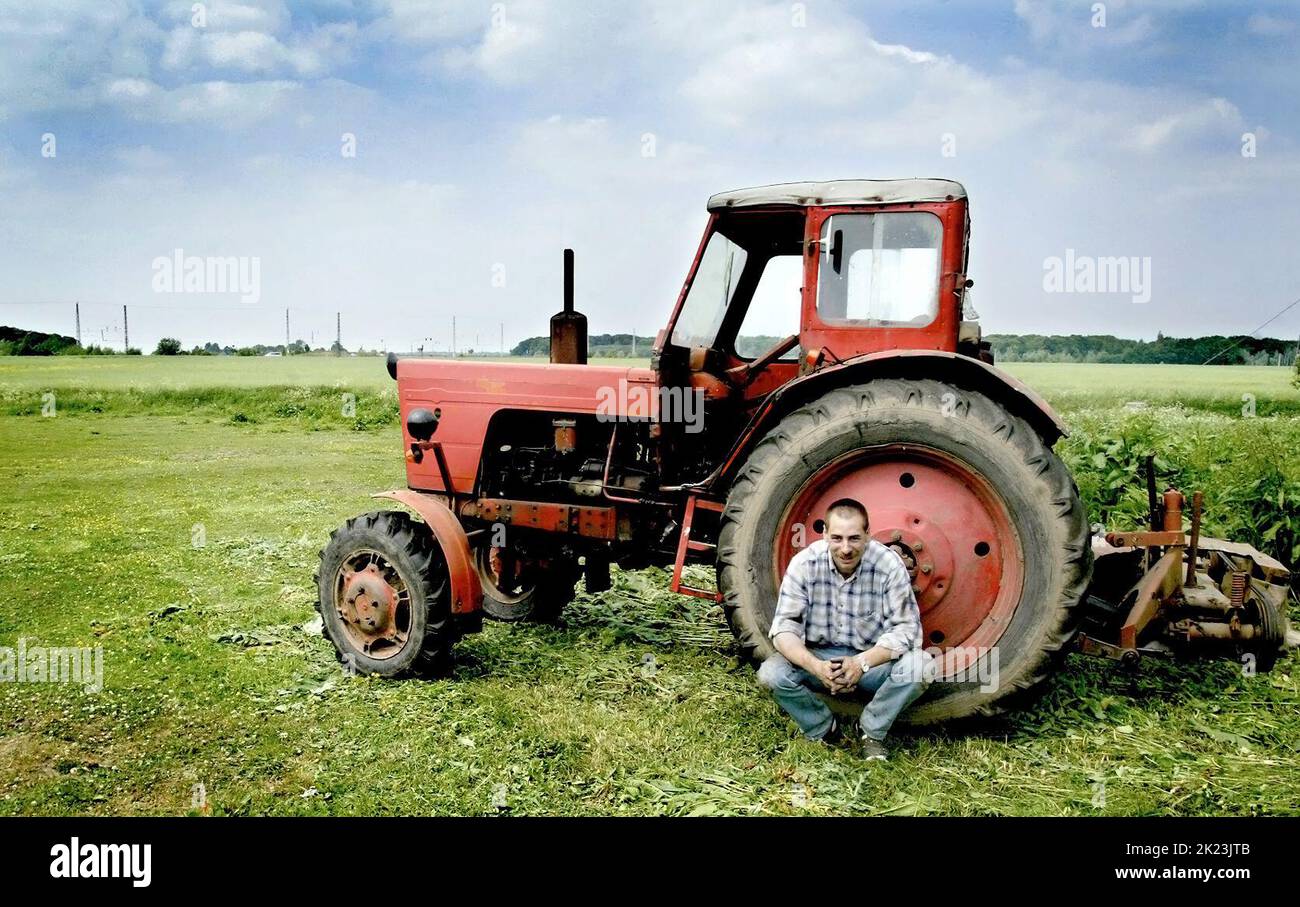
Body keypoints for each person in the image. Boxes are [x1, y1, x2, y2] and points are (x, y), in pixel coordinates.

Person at [757, 497, 935, 760]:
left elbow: (906, 631)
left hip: (871, 663)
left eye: (854, 538)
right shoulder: (804, 564)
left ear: (868, 535)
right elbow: (784, 630)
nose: (845, 548)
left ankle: (871, 731)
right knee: (771, 674)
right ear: (825, 534)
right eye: (837, 538)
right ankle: (822, 727)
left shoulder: (888, 565)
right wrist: (815, 666)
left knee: (921, 666)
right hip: (819, 658)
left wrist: (861, 663)